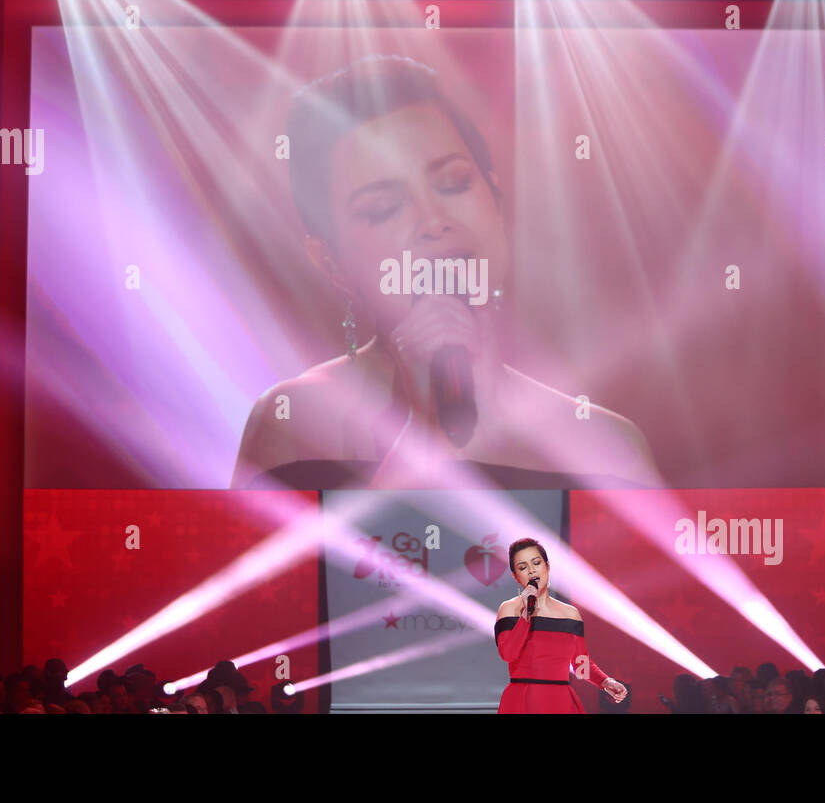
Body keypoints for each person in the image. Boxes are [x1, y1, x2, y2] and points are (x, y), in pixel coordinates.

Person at [231, 55, 654, 490]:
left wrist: (494, 424)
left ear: (497, 201)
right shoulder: (293, 422)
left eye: (454, 183)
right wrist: (424, 434)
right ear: (330, 261)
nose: (433, 221)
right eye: (383, 209)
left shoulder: (606, 443)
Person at [493, 538, 627, 713]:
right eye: (523, 567)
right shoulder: (509, 608)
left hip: (561, 701)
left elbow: (581, 664)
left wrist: (605, 682)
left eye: (536, 563)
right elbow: (508, 653)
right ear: (515, 576)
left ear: (547, 566)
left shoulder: (570, 614)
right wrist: (526, 614)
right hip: (523, 700)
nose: (532, 570)